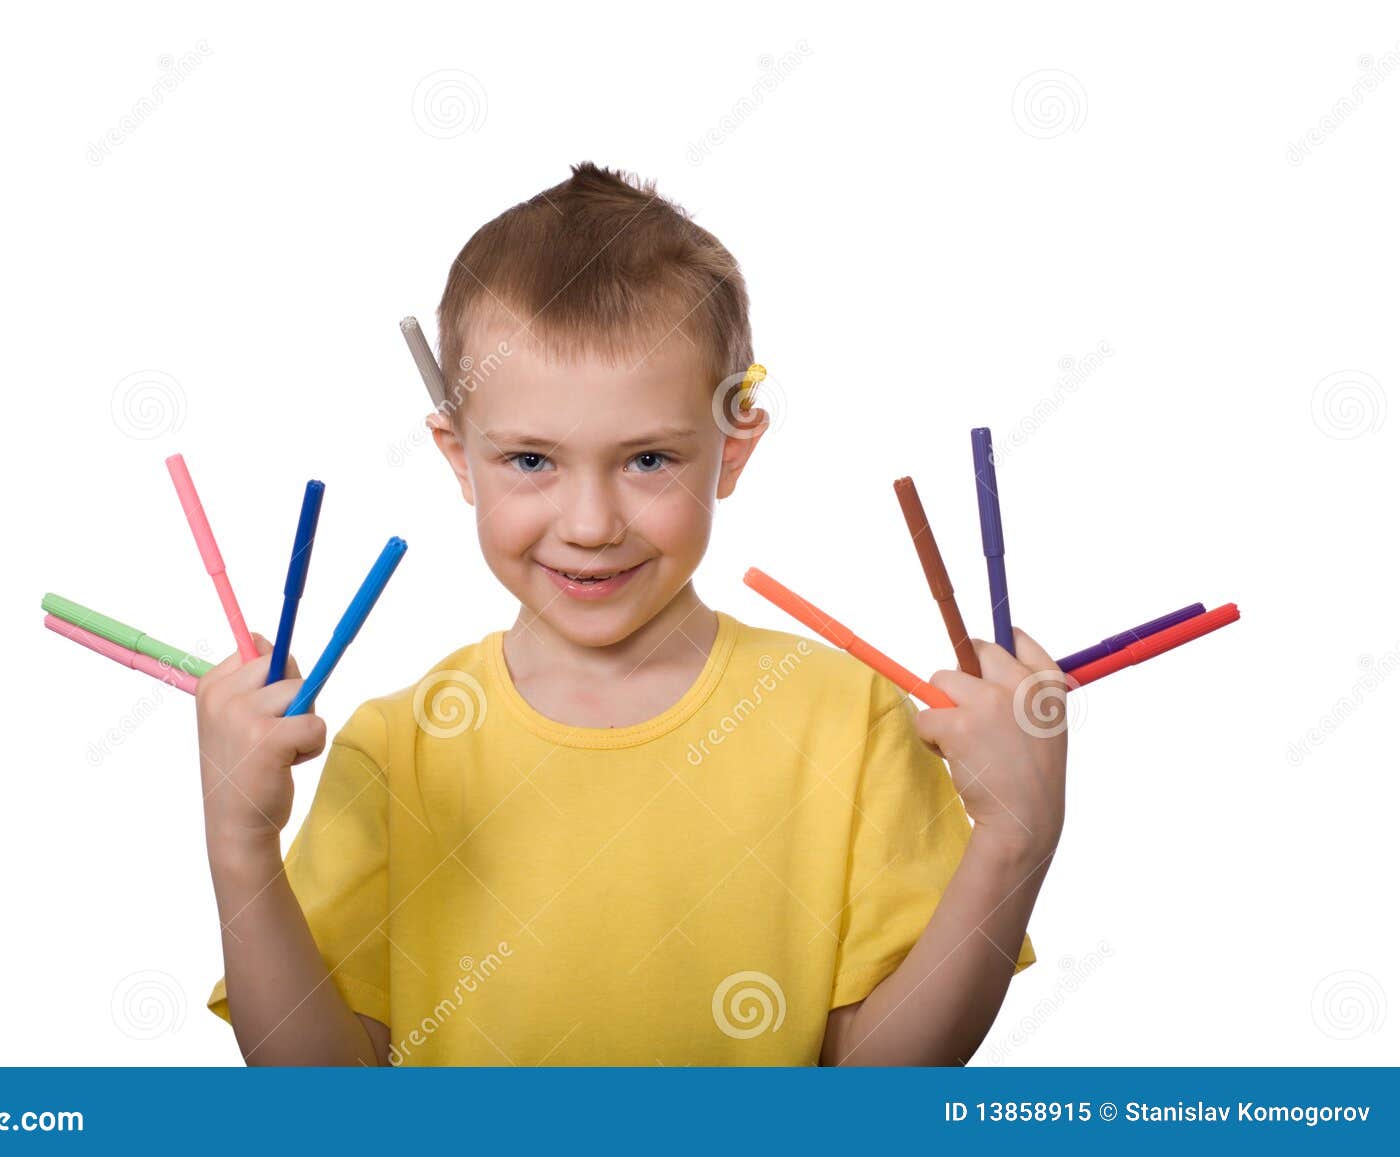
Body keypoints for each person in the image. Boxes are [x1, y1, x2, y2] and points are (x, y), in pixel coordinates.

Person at [197, 162, 1064, 1066]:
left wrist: (1013, 839)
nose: (590, 525)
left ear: (733, 449)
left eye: (649, 460)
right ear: (459, 457)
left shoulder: (851, 719)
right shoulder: (395, 747)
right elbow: (324, 1101)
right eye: (531, 461)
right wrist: (240, 844)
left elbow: (880, 1087)